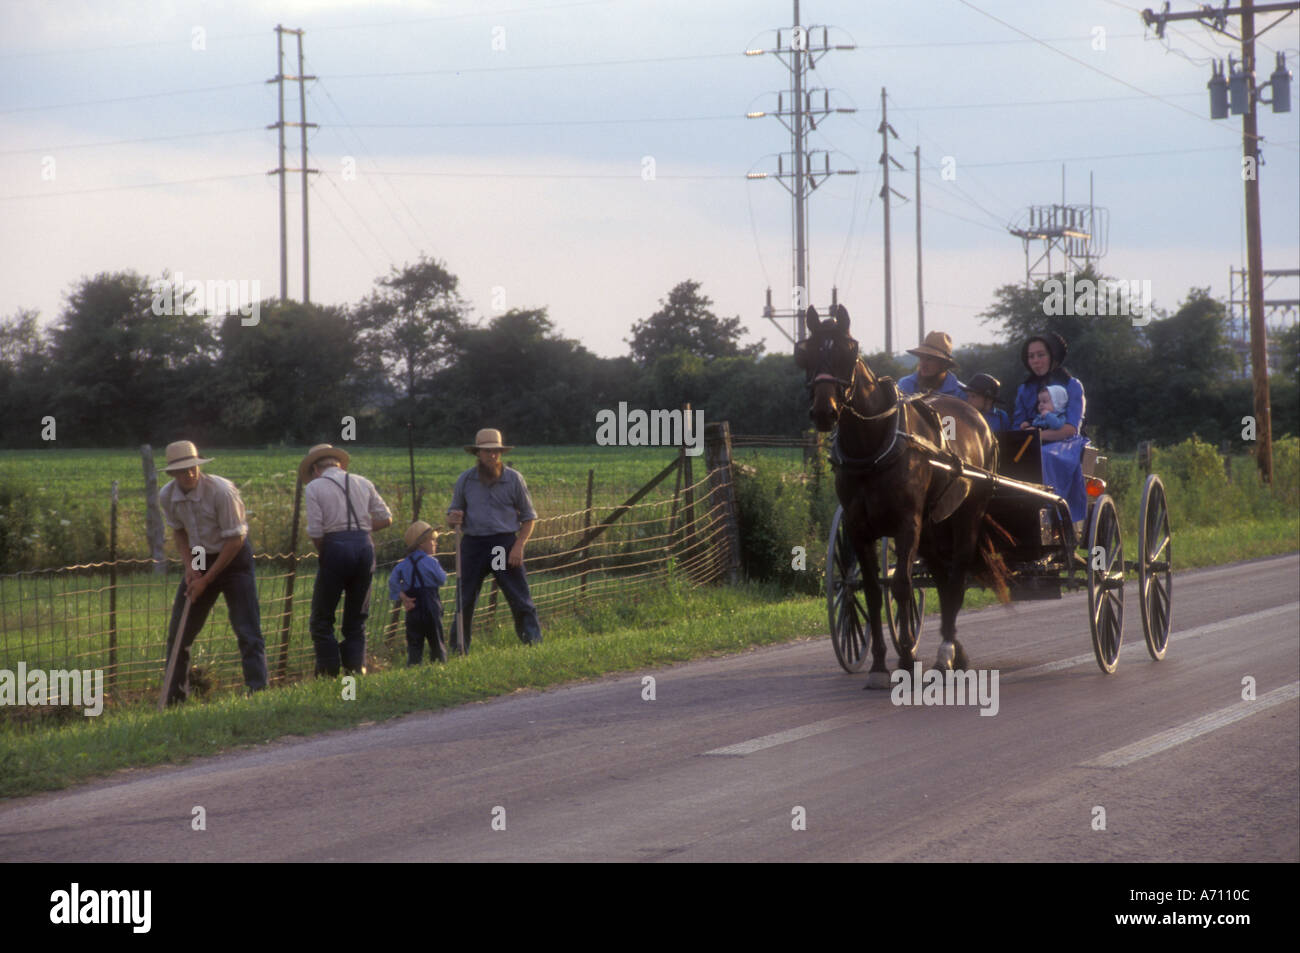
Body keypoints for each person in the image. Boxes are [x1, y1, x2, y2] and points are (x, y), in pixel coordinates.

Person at [157, 440, 268, 704]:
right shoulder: (166, 496)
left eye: (193, 467)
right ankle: (175, 699)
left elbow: (235, 540)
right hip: (199, 555)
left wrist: (207, 579)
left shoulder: (221, 491)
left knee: (246, 628)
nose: (190, 473)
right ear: (172, 473)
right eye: (183, 470)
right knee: (179, 633)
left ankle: (258, 692)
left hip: (233, 557)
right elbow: (179, 531)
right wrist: (191, 570)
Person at [301, 444, 393, 676]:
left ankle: (328, 672)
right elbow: (386, 518)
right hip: (364, 547)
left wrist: (328, 551)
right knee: (356, 617)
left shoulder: (314, 487)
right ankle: (356, 669)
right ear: (339, 464)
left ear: (315, 468)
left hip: (335, 548)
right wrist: (361, 531)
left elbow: (316, 532)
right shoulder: (363, 482)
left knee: (322, 618)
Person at [447, 428, 542, 652]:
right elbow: (452, 515)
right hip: (474, 545)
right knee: (465, 598)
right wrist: (453, 518)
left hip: (502, 546)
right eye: (487, 451)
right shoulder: (466, 480)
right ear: (477, 453)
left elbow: (529, 517)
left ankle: (533, 644)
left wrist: (518, 547)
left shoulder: (513, 479)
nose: (492, 456)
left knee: (518, 596)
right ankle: (459, 649)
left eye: (496, 451)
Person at [1012, 332, 1089, 523]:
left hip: (1065, 442)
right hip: (1029, 442)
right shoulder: (1024, 389)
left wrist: (1038, 435)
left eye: (1041, 355)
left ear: (1052, 356)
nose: (1036, 361)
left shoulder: (1072, 385)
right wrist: (1023, 428)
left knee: (1044, 457)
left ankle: (1052, 512)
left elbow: (1071, 428)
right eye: (1031, 356)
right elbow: (1016, 424)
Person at [388, 520, 448, 665]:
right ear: (422, 544)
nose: (435, 543)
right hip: (431, 604)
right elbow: (442, 579)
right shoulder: (432, 562)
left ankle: (414, 665)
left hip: (412, 606)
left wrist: (403, 597)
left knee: (414, 641)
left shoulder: (402, 565)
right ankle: (439, 664)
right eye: (432, 540)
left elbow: (392, 582)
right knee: (436, 638)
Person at [898, 330, 965, 398]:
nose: (923, 364)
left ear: (943, 364)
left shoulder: (959, 393)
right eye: (921, 358)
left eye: (929, 359)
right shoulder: (906, 385)